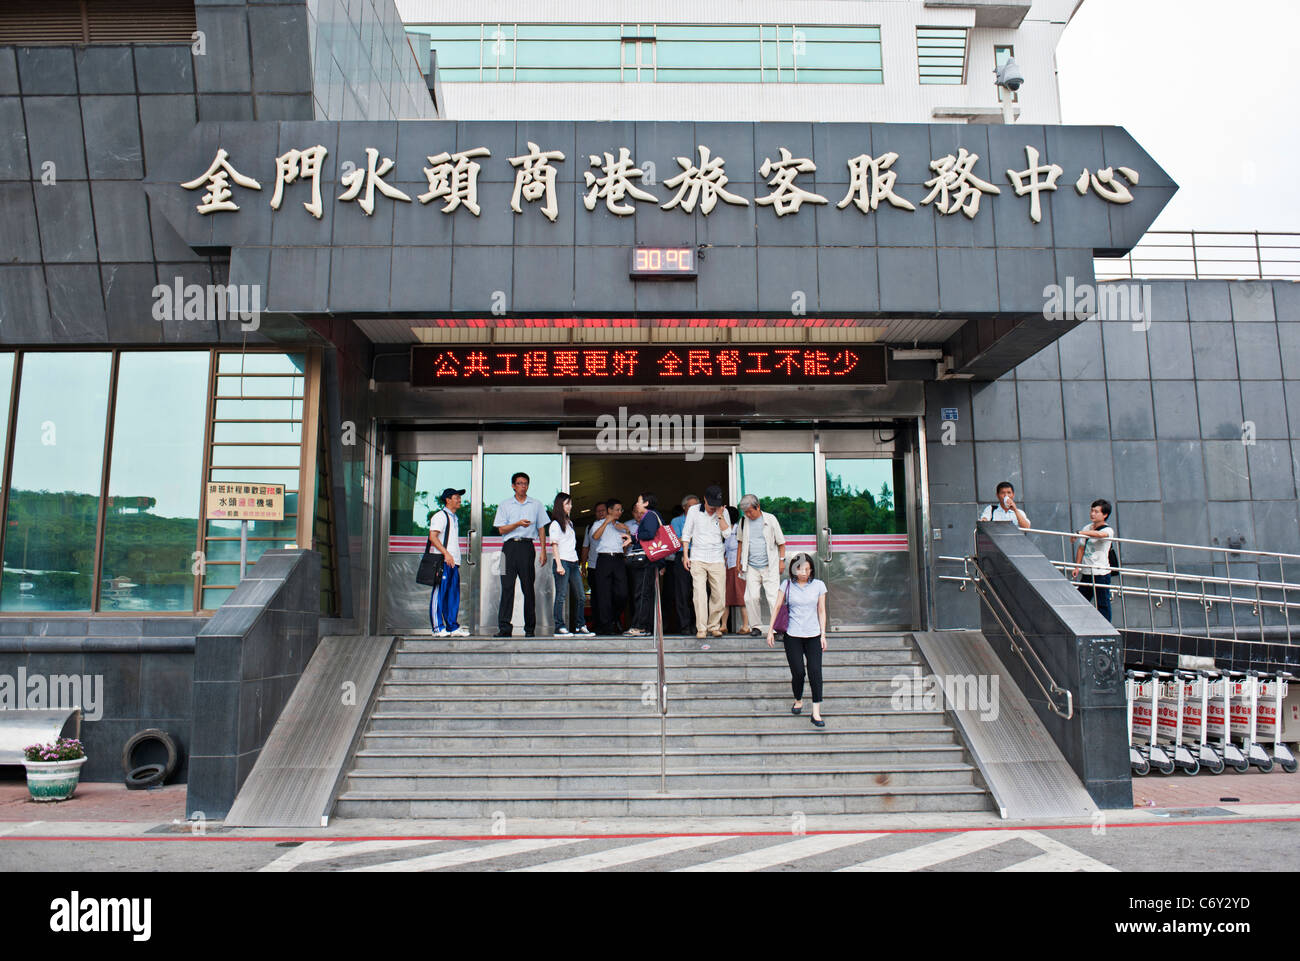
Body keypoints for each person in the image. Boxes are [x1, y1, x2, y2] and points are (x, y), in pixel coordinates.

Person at [767, 554, 828, 728]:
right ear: (794, 569)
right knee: (799, 672)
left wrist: (823, 634)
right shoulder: (786, 585)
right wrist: (770, 630)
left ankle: (816, 712)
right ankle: (798, 699)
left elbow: (822, 610)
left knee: (815, 672)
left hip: (813, 635)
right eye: (801, 569)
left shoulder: (819, 586)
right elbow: (777, 606)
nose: (805, 572)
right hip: (793, 635)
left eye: (808, 569)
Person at [492, 471, 550, 637]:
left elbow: (541, 528)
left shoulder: (536, 504)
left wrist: (543, 550)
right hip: (508, 549)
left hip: (527, 548)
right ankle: (504, 628)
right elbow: (501, 529)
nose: (522, 486)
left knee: (528, 588)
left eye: (525, 483)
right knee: (507, 588)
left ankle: (530, 629)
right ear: (513, 486)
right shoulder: (505, 505)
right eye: (519, 483)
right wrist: (517, 524)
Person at [682, 485, 730, 639]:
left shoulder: (722, 511)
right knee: (699, 594)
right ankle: (701, 628)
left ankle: (714, 626)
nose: (712, 508)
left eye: (715, 504)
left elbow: (727, 534)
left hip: (717, 559)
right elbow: (686, 533)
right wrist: (685, 555)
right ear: (704, 499)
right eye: (711, 505)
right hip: (697, 558)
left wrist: (720, 515)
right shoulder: (694, 511)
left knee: (719, 595)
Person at [737, 494, 787, 638]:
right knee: (750, 597)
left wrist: (781, 560)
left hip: (769, 565)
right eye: (745, 512)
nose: (748, 514)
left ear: (758, 507)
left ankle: (778, 629)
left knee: (773, 598)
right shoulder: (743, 521)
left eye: (750, 511)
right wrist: (738, 561)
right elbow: (740, 542)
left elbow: (781, 542)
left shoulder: (770, 519)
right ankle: (756, 627)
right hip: (751, 565)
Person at [549, 492, 594, 636]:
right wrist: (559, 565)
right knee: (561, 596)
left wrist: (579, 565)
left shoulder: (570, 523)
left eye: (570, 503)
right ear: (560, 505)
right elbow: (554, 545)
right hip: (562, 561)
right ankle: (559, 627)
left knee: (581, 595)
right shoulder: (555, 524)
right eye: (567, 503)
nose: (570, 506)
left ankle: (580, 626)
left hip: (573, 563)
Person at [427, 488, 470, 637]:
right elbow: (433, 537)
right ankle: (438, 627)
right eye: (456, 497)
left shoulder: (454, 517)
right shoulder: (441, 516)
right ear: (448, 499)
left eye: (459, 497)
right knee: (440, 593)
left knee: (452, 595)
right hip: (442, 560)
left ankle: (452, 626)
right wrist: (446, 553)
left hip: (453, 562)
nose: (459, 500)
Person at [590, 497, 632, 635]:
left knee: (622, 593)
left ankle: (614, 617)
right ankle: (606, 626)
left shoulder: (621, 525)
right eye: (617, 509)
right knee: (604, 594)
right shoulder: (598, 523)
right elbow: (595, 537)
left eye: (621, 510)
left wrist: (626, 530)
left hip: (619, 559)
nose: (620, 512)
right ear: (610, 510)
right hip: (604, 559)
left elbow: (627, 543)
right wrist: (606, 522)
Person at [626, 492, 665, 637]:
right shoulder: (653, 515)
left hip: (646, 561)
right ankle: (644, 626)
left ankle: (640, 626)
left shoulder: (649, 516)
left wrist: (633, 537)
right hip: (649, 560)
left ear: (646, 503)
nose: (637, 504)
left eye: (639, 501)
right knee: (644, 593)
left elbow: (648, 534)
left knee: (642, 594)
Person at [1071, 498, 1115, 623]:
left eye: (1096, 512)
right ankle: (1079, 624)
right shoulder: (1088, 527)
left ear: (1105, 515)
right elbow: (1081, 548)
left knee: (1103, 603)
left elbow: (1101, 535)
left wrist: (1080, 532)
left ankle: (1106, 627)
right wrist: (1077, 566)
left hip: (1101, 573)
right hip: (1087, 572)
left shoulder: (1108, 530)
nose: (1092, 514)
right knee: (1081, 601)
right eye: (1092, 511)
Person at [671, 495, 698, 635]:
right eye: (690, 506)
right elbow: (675, 541)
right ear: (684, 507)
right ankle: (685, 625)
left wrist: (685, 537)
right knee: (682, 593)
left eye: (696, 506)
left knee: (699, 592)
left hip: (699, 556)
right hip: (682, 556)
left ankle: (697, 624)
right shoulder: (676, 521)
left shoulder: (701, 519)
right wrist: (689, 537)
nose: (694, 508)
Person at [580, 501, 606, 628]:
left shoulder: (615, 526)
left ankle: (610, 622)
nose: (601, 513)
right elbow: (585, 547)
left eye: (603, 510)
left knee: (609, 595)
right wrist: (583, 566)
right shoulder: (590, 527)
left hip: (608, 567)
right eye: (598, 511)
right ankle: (597, 624)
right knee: (595, 596)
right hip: (593, 566)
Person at [723, 506, 746, 633]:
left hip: (738, 566)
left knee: (741, 596)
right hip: (727, 566)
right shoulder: (724, 530)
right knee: (726, 597)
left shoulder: (739, 530)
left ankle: (746, 625)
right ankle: (723, 625)